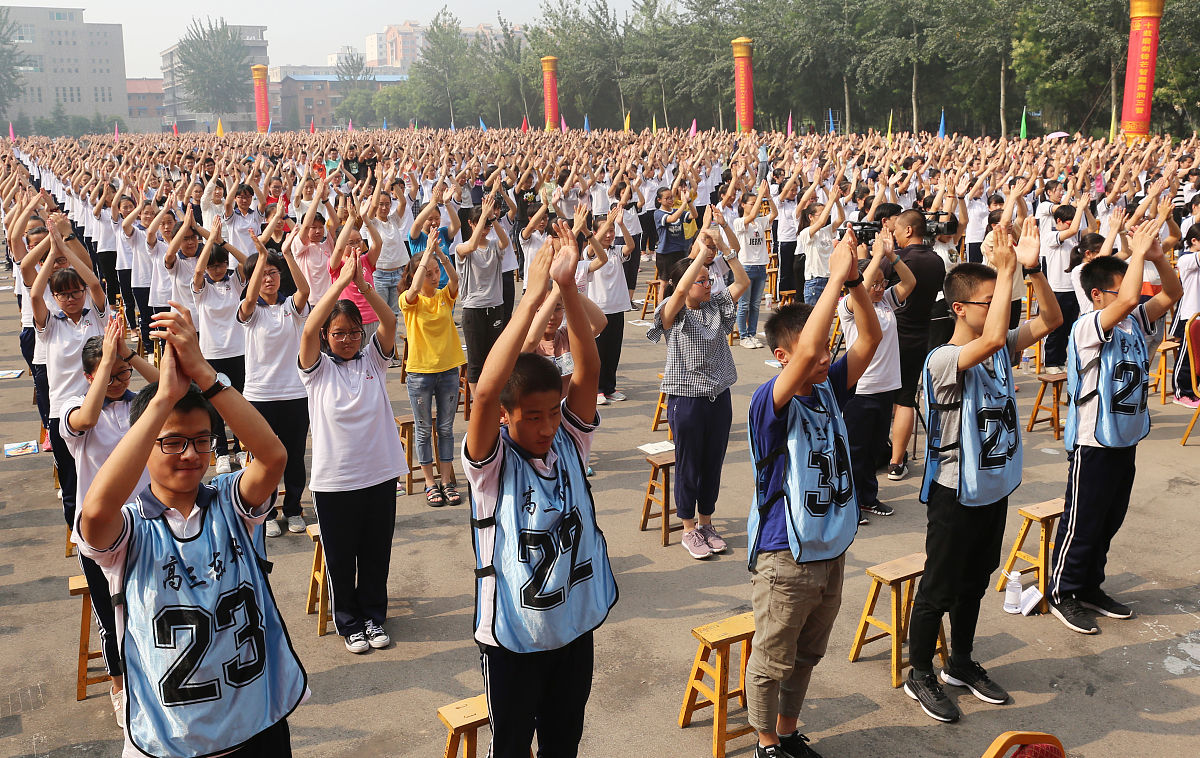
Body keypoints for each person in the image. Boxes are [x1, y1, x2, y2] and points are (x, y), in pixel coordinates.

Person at [76, 306, 306, 757]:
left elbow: (273, 456)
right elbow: (95, 511)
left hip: (256, 724)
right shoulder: (132, 529)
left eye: (202, 441)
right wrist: (160, 399)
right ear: (144, 446)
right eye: (172, 442)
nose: (190, 454)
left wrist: (205, 373)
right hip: (173, 738)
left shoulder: (228, 503)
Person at [463, 223, 618, 758]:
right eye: (532, 416)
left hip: (571, 629)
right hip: (513, 636)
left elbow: (590, 366)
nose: (548, 425)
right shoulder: (493, 463)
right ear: (507, 417)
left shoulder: (571, 442)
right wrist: (532, 296)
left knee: (563, 741)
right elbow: (484, 392)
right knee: (510, 746)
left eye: (553, 412)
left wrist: (569, 288)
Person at [905, 219, 1061, 723]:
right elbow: (993, 338)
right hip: (955, 491)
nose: (1002, 307)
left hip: (992, 486)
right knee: (939, 585)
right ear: (959, 309)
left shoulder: (998, 346)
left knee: (975, 582)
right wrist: (1006, 267)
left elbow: (1051, 320)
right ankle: (919, 673)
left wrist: (1031, 271)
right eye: (989, 300)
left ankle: (961, 662)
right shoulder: (944, 360)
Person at [745, 232, 880, 758]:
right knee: (772, 657)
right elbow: (805, 358)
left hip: (830, 547)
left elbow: (867, 340)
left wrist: (853, 284)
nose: (826, 359)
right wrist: (828, 281)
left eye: (828, 350)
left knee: (805, 656)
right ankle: (764, 742)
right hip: (787, 553)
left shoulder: (828, 387)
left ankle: (787, 728)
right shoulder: (768, 403)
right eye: (816, 351)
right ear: (782, 355)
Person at [1049, 217, 1182, 634]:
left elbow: (1172, 294)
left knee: (1110, 517)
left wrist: (1157, 259)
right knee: (1083, 519)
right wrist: (1136, 251)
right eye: (1120, 287)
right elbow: (1125, 302)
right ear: (1096, 294)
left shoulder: (1134, 321)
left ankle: (1090, 585)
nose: (1130, 294)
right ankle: (1062, 591)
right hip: (1092, 440)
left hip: (1125, 435)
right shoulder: (1088, 325)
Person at [299, 247, 407, 654]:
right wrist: (338, 283)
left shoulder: (373, 362)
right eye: (338, 333)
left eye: (353, 332)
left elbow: (390, 320)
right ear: (328, 337)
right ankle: (349, 622)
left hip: (379, 475)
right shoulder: (317, 370)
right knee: (341, 559)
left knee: (376, 554)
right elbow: (307, 331)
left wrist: (362, 285)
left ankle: (374, 616)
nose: (346, 339)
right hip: (335, 482)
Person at [62, 317, 158, 726]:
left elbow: (173, 390)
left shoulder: (138, 405)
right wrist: (106, 366)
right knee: (110, 610)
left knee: (150, 603)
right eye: (109, 374)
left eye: (123, 373)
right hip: (100, 532)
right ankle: (118, 684)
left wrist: (130, 354)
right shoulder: (75, 409)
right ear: (90, 375)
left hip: (147, 522)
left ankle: (153, 676)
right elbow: (84, 419)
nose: (119, 380)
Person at [647, 231, 749, 559]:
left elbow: (742, 282)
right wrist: (701, 254)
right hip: (687, 399)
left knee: (713, 463)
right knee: (689, 464)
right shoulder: (672, 311)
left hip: (720, 396)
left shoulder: (716, 305)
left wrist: (724, 252)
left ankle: (707, 522)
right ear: (686, 282)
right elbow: (678, 291)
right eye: (701, 280)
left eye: (709, 279)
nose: (708, 284)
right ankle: (689, 529)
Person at [838, 232, 915, 521]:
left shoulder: (886, 302)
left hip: (886, 387)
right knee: (855, 451)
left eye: (884, 283)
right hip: (861, 388)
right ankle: (849, 503)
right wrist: (877, 257)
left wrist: (892, 255)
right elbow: (862, 283)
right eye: (876, 284)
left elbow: (910, 283)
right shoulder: (851, 305)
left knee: (873, 452)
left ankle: (867, 497)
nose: (880, 288)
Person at [238, 234, 311, 537]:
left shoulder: (290, 307)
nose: (269, 278)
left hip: (294, 393)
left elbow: (304, 290)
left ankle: (293, 508)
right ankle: (264, 511)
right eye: (262, 273)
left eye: (273, 271)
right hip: (259, 396)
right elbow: (249, 299)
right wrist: (259, 258)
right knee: (263, 459)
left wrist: (286, 254)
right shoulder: (249, 311)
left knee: (294, 456)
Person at [400, 237, 467, 507]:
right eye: (428, 273)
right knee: (424, 429)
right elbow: (414, 287)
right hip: (420, 374)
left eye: (435, 271)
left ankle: (448, 479)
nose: (433, 276)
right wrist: (426, 254)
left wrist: (440, 253)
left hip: (449, 370)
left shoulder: (444, 298)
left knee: (447, 428)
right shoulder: (409, 301)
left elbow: (455, 279)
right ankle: (430, 482)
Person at [886, 210, 947, 480]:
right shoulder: (936, 260)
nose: (894, 236)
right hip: (921, 333)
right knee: (906, 397)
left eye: (896, 230)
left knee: (881, 395)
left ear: (909, 230)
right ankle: (896, 462)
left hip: (892, 333)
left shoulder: (900, 260)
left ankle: (879, 450)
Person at [191, 216, 250, 473]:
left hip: (238, 350)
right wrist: (208, 244)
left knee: (238, 401)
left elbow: (247, 262)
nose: (216, 269)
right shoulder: (201, 289)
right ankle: (222, 451)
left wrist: (222, 241)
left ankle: (239, 447)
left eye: (221, 265)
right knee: (215, 404)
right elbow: (196, 272)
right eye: (212, 266)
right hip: (212, 352)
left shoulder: (234, 283)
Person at [733, 180, 778, 348]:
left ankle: (752, 334)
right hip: (746, 266)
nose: (755, 206)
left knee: (755, 304)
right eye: (751, 203)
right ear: (743, 205)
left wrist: (768, 197)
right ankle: (743, 336)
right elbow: (751, 216)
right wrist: (760, 195)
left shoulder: (759, 222)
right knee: (744, 304)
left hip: (760, 266)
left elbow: (774, 213)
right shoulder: (739, 222)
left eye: (756, 203)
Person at [1170, 227, 1200, 407]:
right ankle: (1181, 392)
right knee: (1187, 357)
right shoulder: (1186, 258)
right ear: (1194, 241)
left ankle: (1194, 390)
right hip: (1189, 314)